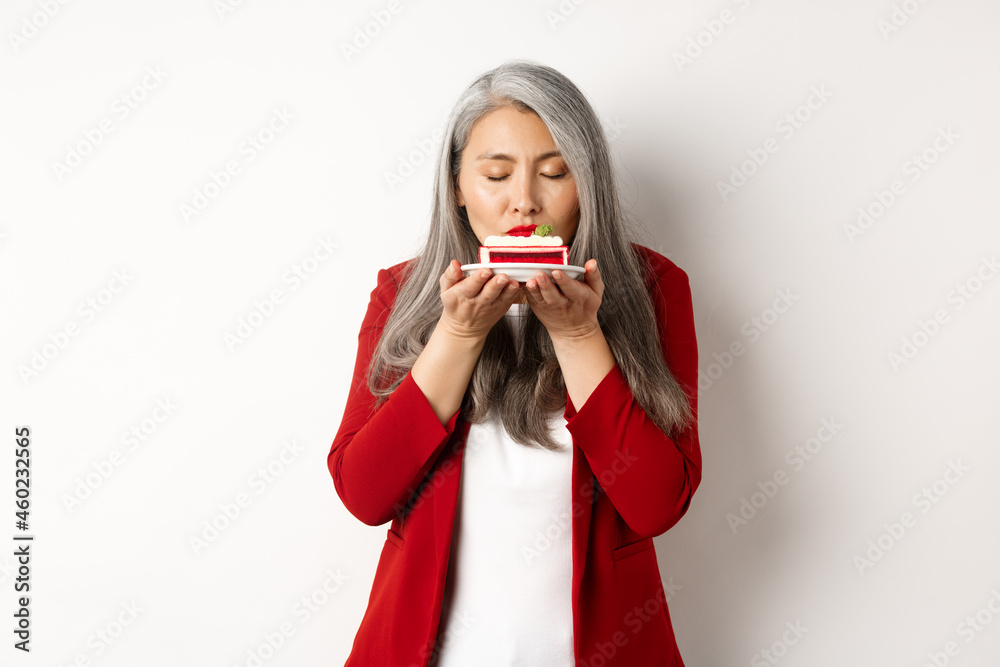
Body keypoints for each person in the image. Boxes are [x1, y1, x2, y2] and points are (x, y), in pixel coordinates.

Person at [328, 59, 702, 666]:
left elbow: (657, 504)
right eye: (496, 175)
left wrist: (578, 335)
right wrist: (457, 334)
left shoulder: (654, 289)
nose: (524, 203)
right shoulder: (401, 294)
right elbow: (365, 495)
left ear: (589, 184)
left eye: (555, 172)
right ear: (457, 187)